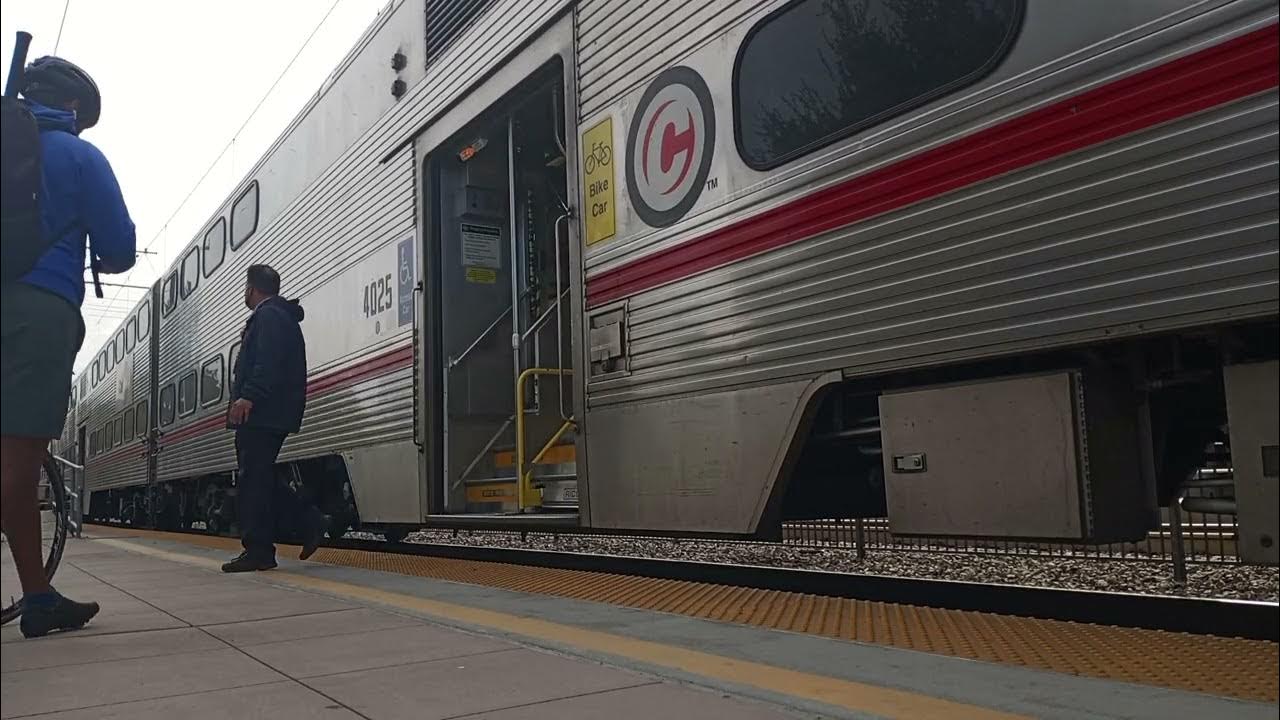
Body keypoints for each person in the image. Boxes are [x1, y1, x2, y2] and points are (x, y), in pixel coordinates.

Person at [1, 56, 136, 638]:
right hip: (38, 311)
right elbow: (121, 251)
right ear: (75, 108)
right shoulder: (80, 156)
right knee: (18, 466)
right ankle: (37, 598)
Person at [222, 264, 325, 573]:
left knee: (253, 479)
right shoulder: (276, 315)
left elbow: (267, 361)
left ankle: (259, 551)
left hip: (263, 412)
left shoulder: (269, 316)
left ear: (252, 289)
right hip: (270, 410)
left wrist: (248, 396)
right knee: (260, 476)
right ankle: (308, 522)